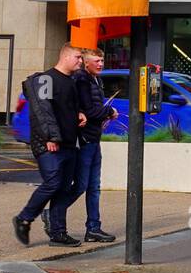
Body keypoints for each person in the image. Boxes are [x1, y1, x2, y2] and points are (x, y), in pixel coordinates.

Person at [13, 44, 87, 247]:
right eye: (78, 57)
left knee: (63, 189)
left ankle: (58, 233)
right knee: (53, 184)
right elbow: (42, 112)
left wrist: (78, 114)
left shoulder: (70, 82)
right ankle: (24, 218)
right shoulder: (45, 79)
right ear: (65, 56)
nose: (81, 61)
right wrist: (51, 138)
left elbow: (65, 108)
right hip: (49, 143)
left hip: (69, 143)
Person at [70, 48, 118, 244]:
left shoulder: (95, 80)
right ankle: (52, 213)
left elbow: (93, 110)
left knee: (94, 187)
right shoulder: (82, 79)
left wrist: (103, 114)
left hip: (93, 137)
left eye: (102, 60)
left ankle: (93, 228)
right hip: (85, 139)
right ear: (86, 62)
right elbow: (91, 110)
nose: (100, 64)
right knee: (81, 185)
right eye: (96, 61)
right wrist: (109, 112)